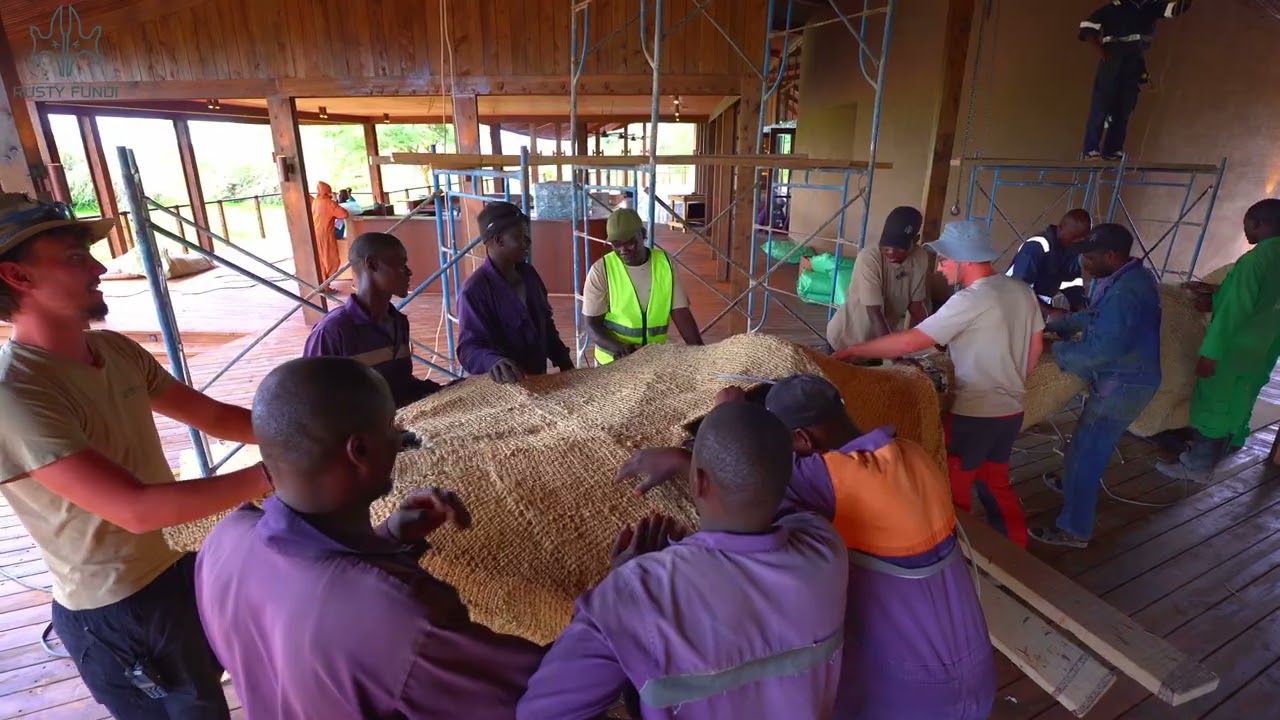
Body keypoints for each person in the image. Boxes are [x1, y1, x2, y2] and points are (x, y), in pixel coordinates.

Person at [0, 193, 272, 718]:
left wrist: (306, 432)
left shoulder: (115, 352)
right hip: (114, 605)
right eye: (76, 258)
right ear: (18, 276)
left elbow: (217, 419)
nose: (100, 267)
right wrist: (277, 472)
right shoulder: (15, 391)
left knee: (209, 699)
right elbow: (133, 508)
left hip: (173, 563)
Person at [619, 375, 995, 719]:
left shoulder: (827, 479)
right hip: (977, 673)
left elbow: (742, 478)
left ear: (802, 440)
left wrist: (715, 424)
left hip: (908, 695)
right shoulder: (912, 453)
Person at [196, 357, 545, 719]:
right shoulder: (399, 614)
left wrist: (390, 537)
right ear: (359, 451)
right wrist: (606, 606)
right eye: (391, 427)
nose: (397, 438)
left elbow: (305, 605)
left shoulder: (223, 541)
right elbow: (544, 693)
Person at [519, 401, 848, 720]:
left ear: (699, 482)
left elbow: (540, 712)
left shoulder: (635, 593)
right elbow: (776, 494)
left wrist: (623, 578)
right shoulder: (827, 549)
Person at [834, 221, 1044, 547]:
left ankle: (955, 553)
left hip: (976, 413)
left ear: (966, 260)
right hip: (1011, 410)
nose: (941, 267)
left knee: (952, 484)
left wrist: (853, 350)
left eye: (945, 260)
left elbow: (908, 343)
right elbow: (1036, 347)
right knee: (996, 482)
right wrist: (1011, 382)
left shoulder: (970, 301)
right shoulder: (1020, 291)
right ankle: (1016, 549)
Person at [1031, 224, 1161, 548]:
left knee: (1088, 450)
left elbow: (1101, 350)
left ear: (1111, 255)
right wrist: (1058, 321)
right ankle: (1072, 484)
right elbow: (1094, 318)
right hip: (1128, 377)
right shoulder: (1125, 279)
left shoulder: (1125, 293)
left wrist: (1049, 349)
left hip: (1123, 384)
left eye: (1089, 257)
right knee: (1086, 445)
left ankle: (1074, 529)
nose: (1084, 264)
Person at [1158, 198, 1280, 481]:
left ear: (1259, 224)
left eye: (1247, 226)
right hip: (1264, 350)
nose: (1246, 233)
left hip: (1231, 348)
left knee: (1214, 403)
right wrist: (1217, 294)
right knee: (1241, 400)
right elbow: (1264, 302)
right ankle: (1229, 446)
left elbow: (1233, 312)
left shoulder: (1254, 261)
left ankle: (1198, 465)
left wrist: (1210, 353)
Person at [304, 231, 442, 408]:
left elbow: (399, 387)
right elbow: (313, 403)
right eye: (401, 264)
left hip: (397, 422)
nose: (409, 272)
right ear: (372, 264)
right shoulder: (333, 332)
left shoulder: (397, 322)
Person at [457, 201, 574, 384]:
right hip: (503, 391)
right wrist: (493, 361)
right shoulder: (474, 291)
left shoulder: (529, 275)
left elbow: (546, 324)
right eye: (520, 236)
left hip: (538, 382)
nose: (528, 241)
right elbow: (469, 349)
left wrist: (563, 360)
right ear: (498, 240)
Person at [582, 208, 702, 364]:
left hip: (654, 359)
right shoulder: (601, 270)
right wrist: (621, 348)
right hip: (613, 360)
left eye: (630, 242)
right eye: (616, 244)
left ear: (643, 235)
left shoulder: (665, 264)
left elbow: (680, 312)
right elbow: (592, 326)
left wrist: (700, 354)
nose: (623, 250)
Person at [1079, 0, 1193, 161]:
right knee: (1102, 104)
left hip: (1134, 62)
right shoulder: (1113, 8)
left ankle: (1112, 150)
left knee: (1124, 108)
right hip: (1114, 60)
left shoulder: (1150, 7)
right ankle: (1090, 149)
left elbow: (1175, 9)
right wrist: (1102, 52)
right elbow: (1088, 28)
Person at [826, 206, 932, 351]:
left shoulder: (920, 258)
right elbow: (874, 312)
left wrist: (937, 338)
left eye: (899, 249)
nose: (891, 253)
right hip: (847, 342)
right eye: (886, 247)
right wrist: (893, 355)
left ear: (915, 240)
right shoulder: (869, 258)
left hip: (878, 343)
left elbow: (916, 307)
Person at [1007, 209, 1093, 314]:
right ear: (1061, 228)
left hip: (1037, 309)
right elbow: (1019, 289)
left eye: (1081, 239)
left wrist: (1081, 307)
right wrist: (1051, 311)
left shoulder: (1071, 249)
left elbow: (1071, 283)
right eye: (1074, 237)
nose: (1076, 242)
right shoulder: (1037, 246)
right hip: (1012, 306)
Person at [311, 181, 349, 288]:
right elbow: (344, 214)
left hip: (315, 234)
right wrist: (335, 203)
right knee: (332, 261)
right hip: (325, 235)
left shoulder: (316, 201)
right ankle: (325, 285)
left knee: (321, 261)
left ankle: (323, 286)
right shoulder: (329, 203)